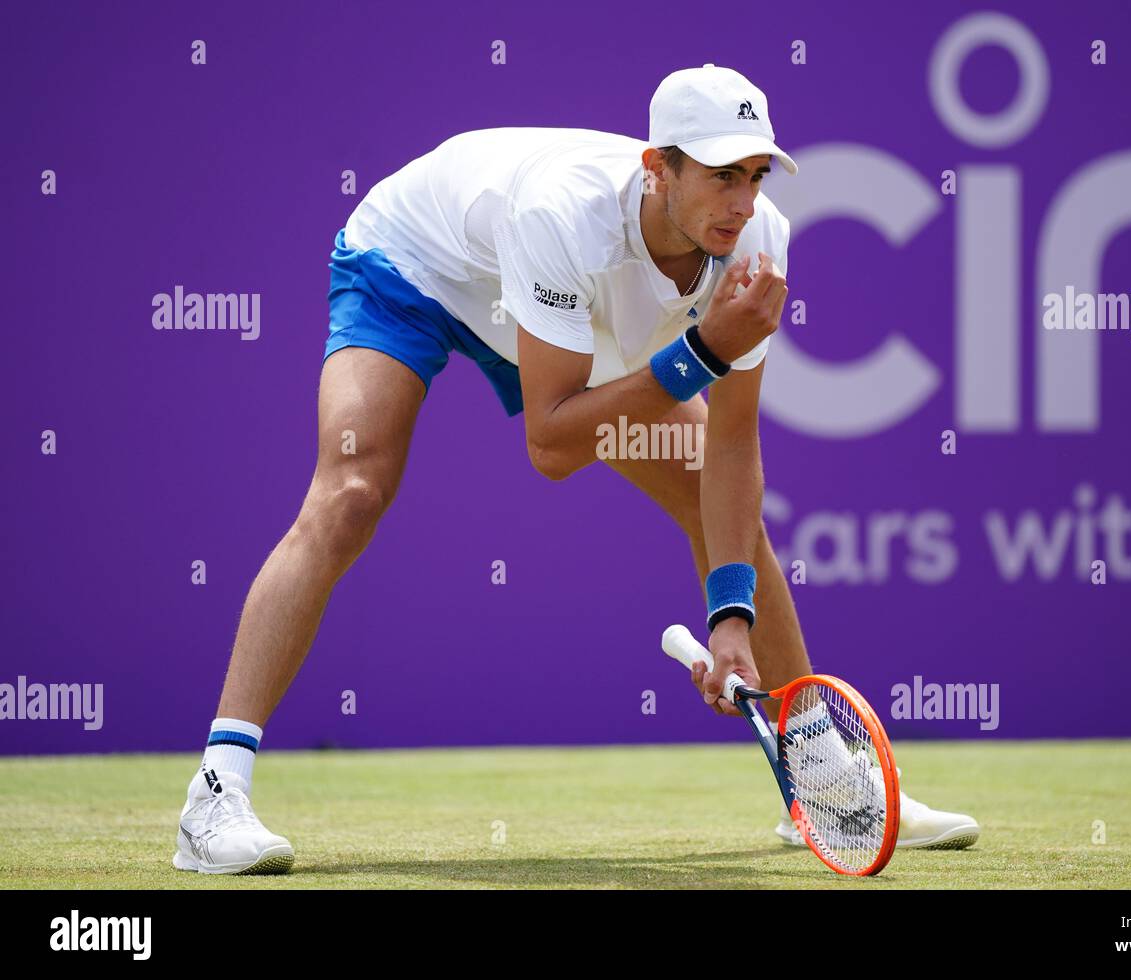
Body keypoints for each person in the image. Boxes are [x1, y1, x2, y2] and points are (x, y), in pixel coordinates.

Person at [173, 64, 979, 875]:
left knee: (710, 485)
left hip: (572, 315)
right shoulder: (563, 214)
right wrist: (701, 353)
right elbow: (552, 447)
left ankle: (821, 775)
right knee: (351, 492)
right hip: (417, 265)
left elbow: (733, 446)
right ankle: (215, 794)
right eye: (721, 175)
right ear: (657, 168)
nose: (743, 200)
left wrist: (729, 619)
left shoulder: (758, 241)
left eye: (757, 175)